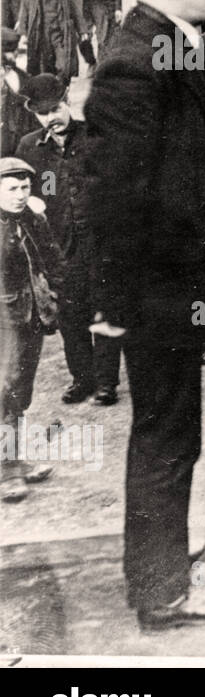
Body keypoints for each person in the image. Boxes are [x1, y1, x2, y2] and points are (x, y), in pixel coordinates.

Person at [82, 0, 205, 629]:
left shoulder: (170, 39)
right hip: (157, 288)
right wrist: (114, 302)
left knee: (172, 431)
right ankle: (163, 592)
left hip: (172, 283)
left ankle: (163, 560)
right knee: (165, 433)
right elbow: (112, 196)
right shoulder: (133, 63)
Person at [15, 75, 121, 405]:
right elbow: (25, 198)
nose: (52, 118)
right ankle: (83, 379)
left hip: (102, 242)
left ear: (68, 102)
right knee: (71, 318)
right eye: (43, 114)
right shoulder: (29, 148)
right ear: (35, 115)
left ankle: (106, 384)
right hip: (60, 249)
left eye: (56, 109)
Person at [0, 157, 59, 503]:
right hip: (3, 320)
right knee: (4, 391)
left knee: (20, 391)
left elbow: (53, 259)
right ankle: (7, 472)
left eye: (25, 187)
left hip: (31, 316)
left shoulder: (32, 220)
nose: (20, 194)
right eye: (11, 189)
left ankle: (14, 461)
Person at [16, 0, 92, 82]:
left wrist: (83, 31)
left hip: (61, 33)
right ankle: (52, 96)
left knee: (64, 65)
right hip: (40, 35)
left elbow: (75, 10)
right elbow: (24, 14)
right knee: (45, 67)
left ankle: (64, 93)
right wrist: (23, 34)